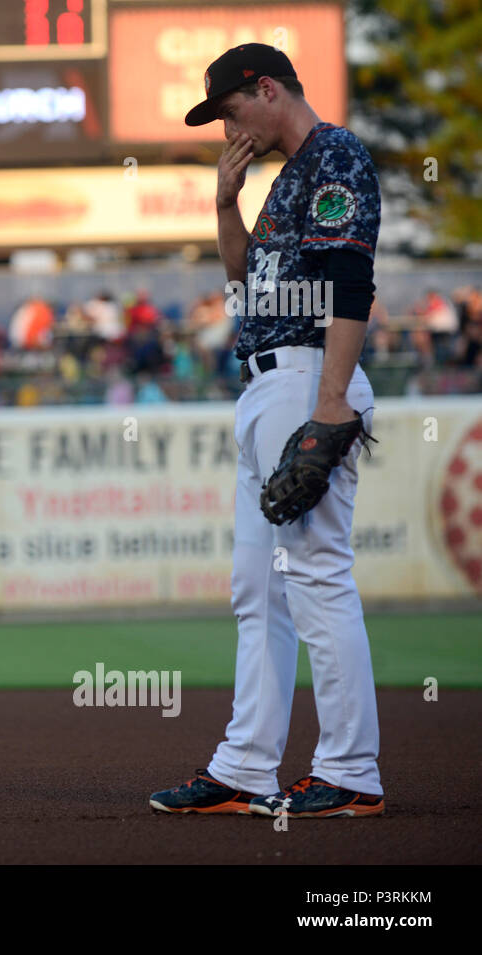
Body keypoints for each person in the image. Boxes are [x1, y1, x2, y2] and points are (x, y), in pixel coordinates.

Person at [150, 43, 385, 819]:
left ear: (268, 88)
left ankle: (351, 769)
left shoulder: (335, 155)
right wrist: (226, 205)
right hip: (265, 380)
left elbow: (350, 284)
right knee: (258, 588)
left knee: (316, 572)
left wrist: (329, 407)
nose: (227, 125)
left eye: (229, 108)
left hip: (309, 377)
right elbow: (242, 285)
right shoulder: (283, 178)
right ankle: (245, 766)